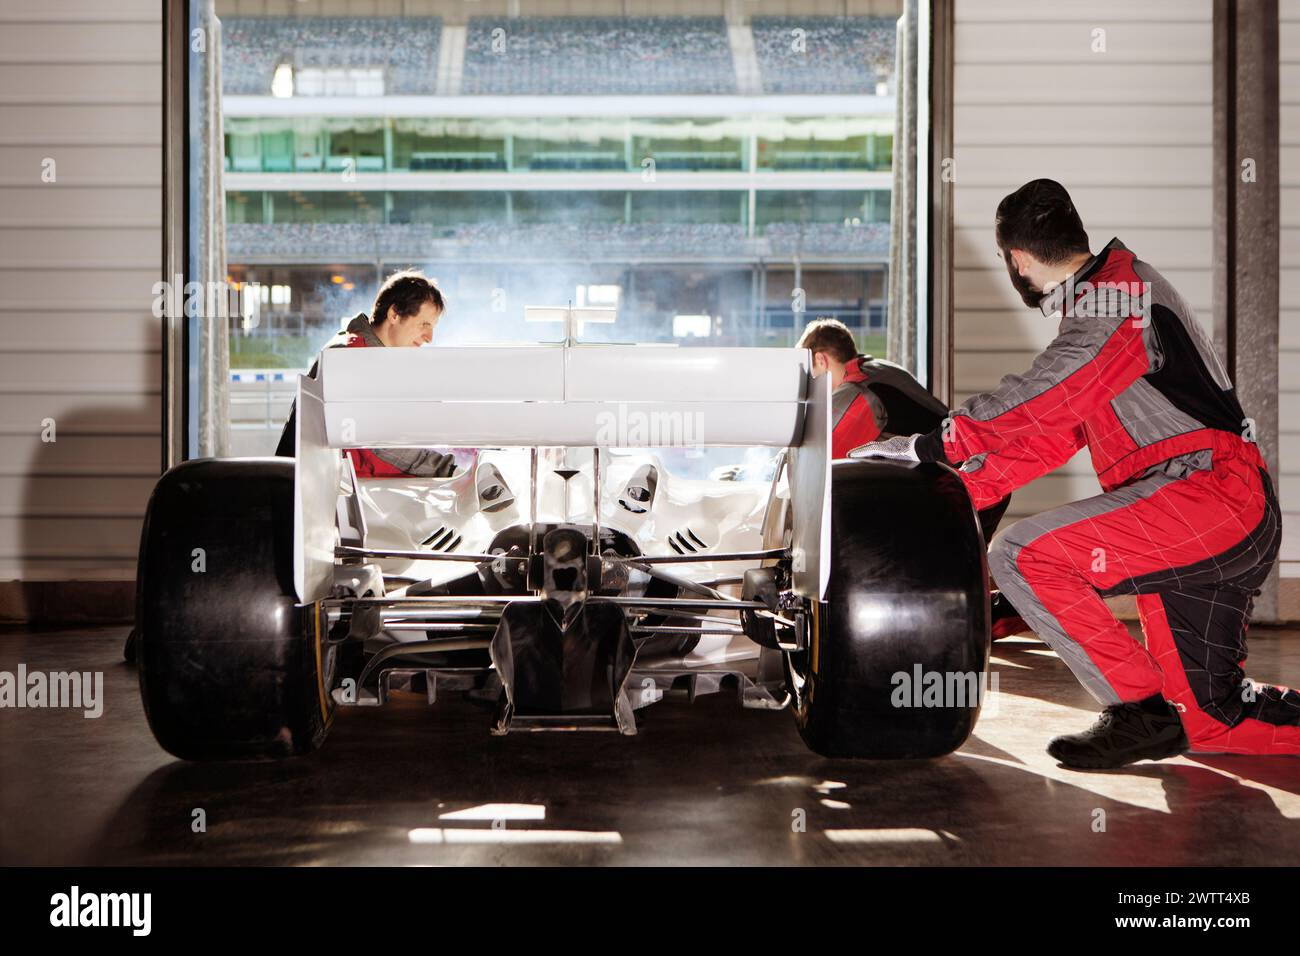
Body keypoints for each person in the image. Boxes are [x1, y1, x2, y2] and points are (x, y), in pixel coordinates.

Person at [852, 178, 1295, 767]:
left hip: (1208, 496)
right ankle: (1164, 714)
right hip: (1207, 510)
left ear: (1016, 259)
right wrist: (954, 487)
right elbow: (1051, 436)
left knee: (1022, 555)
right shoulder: (1107, 308)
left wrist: (934, 445)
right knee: (1215, 722)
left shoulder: (1117, 298)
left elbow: (1046, 398)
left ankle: (1141, 709)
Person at [799, 317, 1025, 638]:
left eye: (811, 374)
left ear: (820, 359)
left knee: (944, 598)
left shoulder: (858, 389)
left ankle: (1022, 607)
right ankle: (1016, 609)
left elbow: (825, 457)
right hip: (978, 476)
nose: (812, 386)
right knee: (956, 582)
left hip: (969, 483)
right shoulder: (881, 369)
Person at [275, 269, 459, 479]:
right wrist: (447, 468)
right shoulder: (350, 357)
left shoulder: (365, 354)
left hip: (334, 489)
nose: (429, 337)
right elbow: (380, 441)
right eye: (424, 324)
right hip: (319, 495)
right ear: (394, 314)